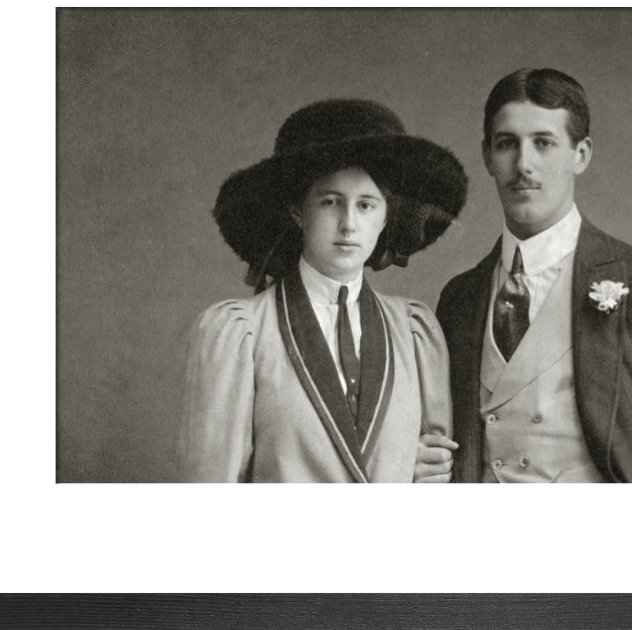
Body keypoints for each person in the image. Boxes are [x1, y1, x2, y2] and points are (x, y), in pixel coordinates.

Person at [416, 68, 632, 483]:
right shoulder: (460, 298)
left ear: (581, 154)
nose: (523, 165)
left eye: (544, 143)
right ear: (487, 156)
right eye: (507, 144)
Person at [179, 99, 467, 482]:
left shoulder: (414, 333)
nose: (349, 223)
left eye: (366, 205)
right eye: (330, 202)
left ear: (386, 217)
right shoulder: (241, 334)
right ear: (298, 212)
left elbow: (434, 483)